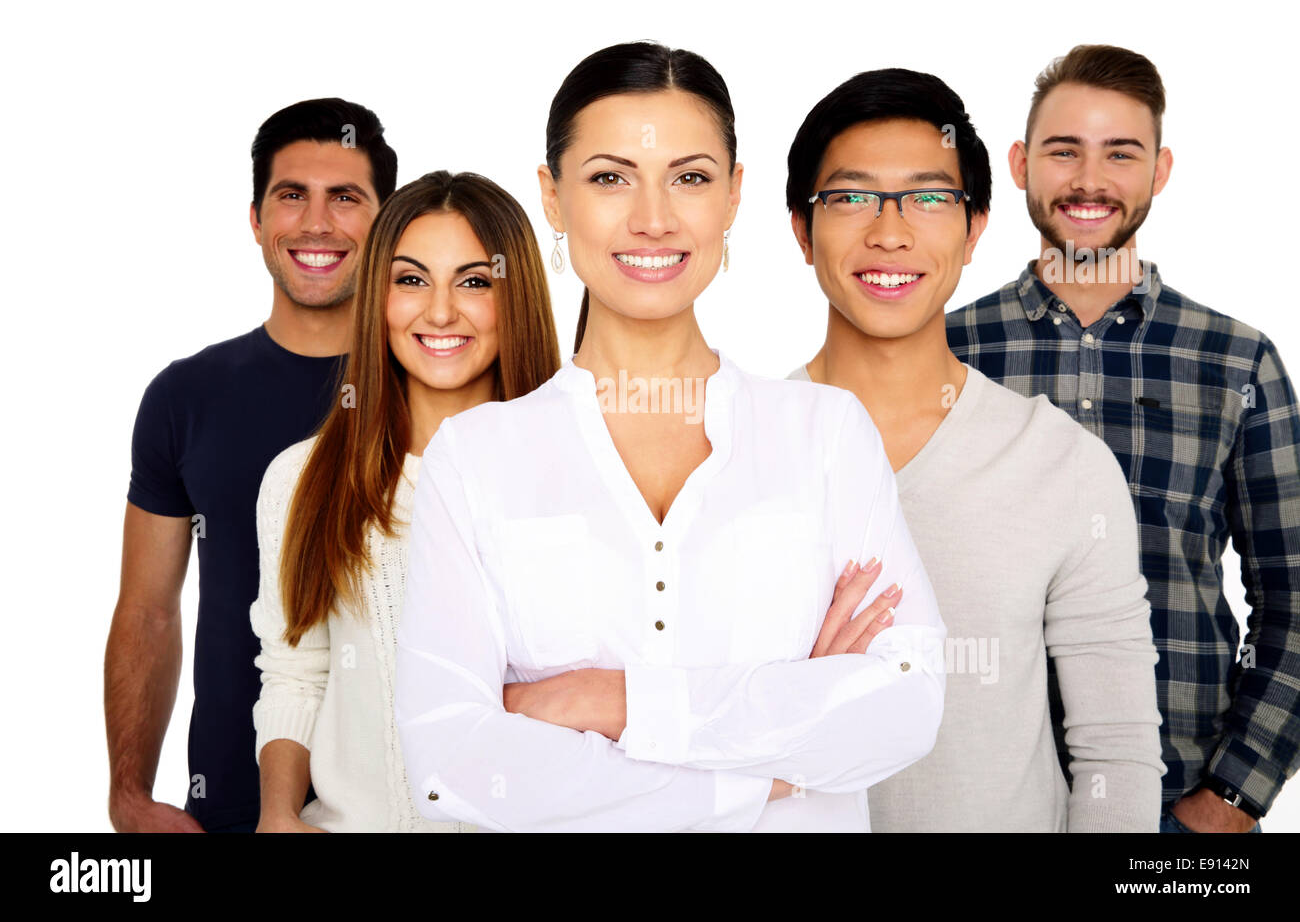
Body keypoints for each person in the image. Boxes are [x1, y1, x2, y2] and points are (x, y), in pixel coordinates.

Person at [395, 41, 946, 833]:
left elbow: (904, 703)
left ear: (733, 196)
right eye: (610, 178)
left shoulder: (824, 434)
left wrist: (609, 702)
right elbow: (453, 767)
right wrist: (775, 754)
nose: (653, 219)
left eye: (689, 178)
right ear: (551, 198)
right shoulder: (476, 458)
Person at [785, 68, 1165, 831]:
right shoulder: (728, 452)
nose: (889, 232)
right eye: (851, 196)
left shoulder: (1063, 463)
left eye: (929, 198)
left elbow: (1116, 753)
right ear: (802, 229)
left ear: (976, 227)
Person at [947, 44, 1300, 832]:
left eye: (1121, 153)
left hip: (1178, 805)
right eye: (1063, 150)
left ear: (1160, 171)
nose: (1088, 180)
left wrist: (1233, 799)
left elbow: (1295, 593)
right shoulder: (945, 353)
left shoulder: (1236, 361)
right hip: (973, 798)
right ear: (1019, 163)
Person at [105, 98, 397, 832]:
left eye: (346, 198)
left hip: (406, 805)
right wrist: (129, 795)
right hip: (230, 810)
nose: (316, 223)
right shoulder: (187, 396)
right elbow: (147, 608)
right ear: (256, 220)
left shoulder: (439, 387)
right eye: (291, 195)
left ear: (388, 222)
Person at [251, 170, 561, 832]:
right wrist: (277, 816)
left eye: (475, 281)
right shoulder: (301, 479)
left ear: (518, 298)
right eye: (411, 279)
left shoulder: (579, 475)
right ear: (378, 298)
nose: (440, 311)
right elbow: (295, 670)